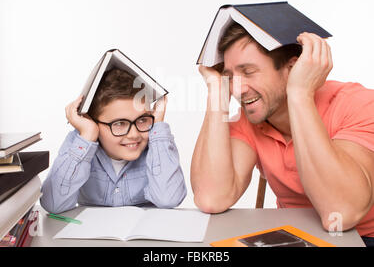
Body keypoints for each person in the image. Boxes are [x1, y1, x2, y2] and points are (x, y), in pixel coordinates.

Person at [191, 22, 374, 247]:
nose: (237, 89)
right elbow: (211, 198)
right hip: (292, 238)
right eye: (230, 77)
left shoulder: (357, 104)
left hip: (363, 238)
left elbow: (342, 213)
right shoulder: (249, 118)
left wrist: (300, 93)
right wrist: (216, 93)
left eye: (248, 72)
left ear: (292, 69)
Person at [41, 68, 187, 214]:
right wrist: (87, 135)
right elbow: (53, 204)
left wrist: (158, 123)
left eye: (142, 120)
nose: (134, 134)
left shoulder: (156, 143)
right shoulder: (80, 142)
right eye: (119, 123)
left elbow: (169, 199)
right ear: (93, 121)